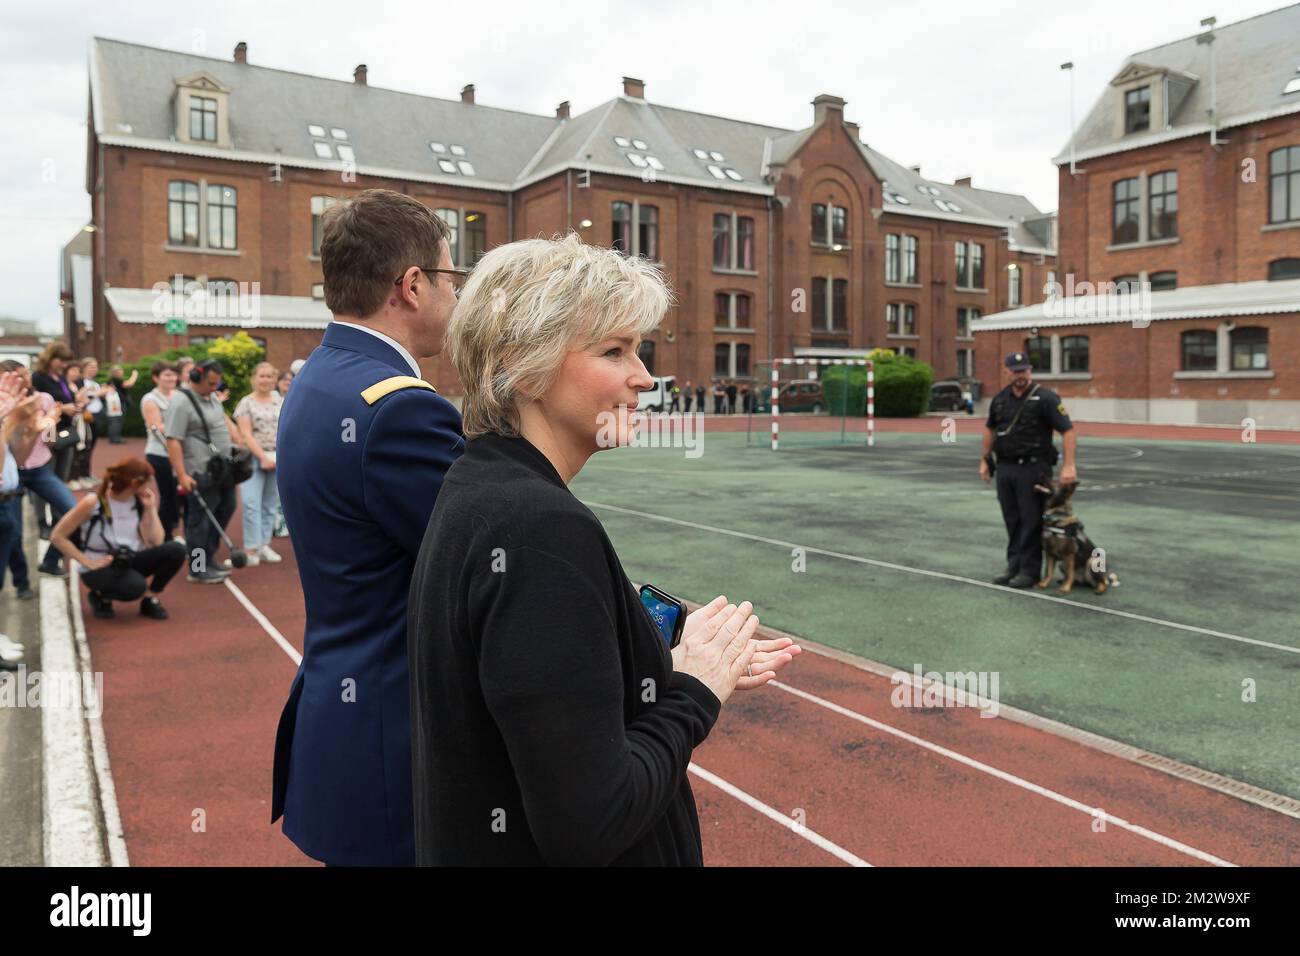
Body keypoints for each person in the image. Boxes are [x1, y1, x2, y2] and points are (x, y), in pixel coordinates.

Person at [408, 233, 800, 866]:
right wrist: (696, 689)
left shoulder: (478, 485)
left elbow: (541, 695)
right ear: (522, 362)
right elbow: (592, 820)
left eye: (639, 350)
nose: (643, 378)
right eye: (614, 351)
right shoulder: (538, 528)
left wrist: (663, 660)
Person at [270, 188, 465, 867]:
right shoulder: (399, 408)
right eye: (450, 280)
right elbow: (492, 556)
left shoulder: (323, 378)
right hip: (396, 742)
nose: (455, 297)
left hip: (347, 716)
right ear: (412, 286)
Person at [979, 351, 1077, 588]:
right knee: (1012, 519)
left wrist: (1069, 465)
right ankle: (1013, 565)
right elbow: (990, 429)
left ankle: (1029, 571)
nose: (1020, 375)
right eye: (1015, 371)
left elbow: (1068, 430)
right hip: (1005, 468)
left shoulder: (1046, 398)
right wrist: (984, 460)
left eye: (1024, 370)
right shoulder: (1000, 399)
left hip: (1034, 469)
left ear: (1030, 371)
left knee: (1030, 520)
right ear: (1006, 372)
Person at [49, 457, 186, 620]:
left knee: (176, 550)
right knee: (135, 587)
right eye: (148, 481)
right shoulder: (94, 502)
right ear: (135, 483)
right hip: (100, 565)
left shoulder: (139, 502)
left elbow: (157, 541)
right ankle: (100, 595)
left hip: (129, 559)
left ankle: (149, 597)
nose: (150, 486)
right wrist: (86, 561)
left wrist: (150, 509)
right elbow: (57, 536)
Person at [164, 358, 247, 584]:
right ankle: (198, 568)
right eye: (210, 383)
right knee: (199, 521)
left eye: (217, 383)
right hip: (199, 471)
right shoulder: (180, 402)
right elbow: (172, 440)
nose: (214, 388)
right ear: (196, 378)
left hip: (222, 469)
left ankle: (209, 558)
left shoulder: (211, 397)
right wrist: (182, 475)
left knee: (227, 507)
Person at [1, 360, 77, 578]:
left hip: (40, 466)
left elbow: (50, 441)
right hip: (13, 475)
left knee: (72, 510)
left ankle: (51, 561)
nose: (25, 380)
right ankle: (21, 581)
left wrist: (49, 425)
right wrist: (19, 422)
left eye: (26, 374)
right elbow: (14, 456)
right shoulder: (5, 407)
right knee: (13, 532)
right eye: (17, 376)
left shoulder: (43, 399)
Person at [0, 368, 50, 607]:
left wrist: (32, 431)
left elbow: (18, 459)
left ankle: (22, 583)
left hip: (8, 499)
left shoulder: (8, 415)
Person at [233, 362, 283, 566]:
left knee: (270, 505)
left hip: (278, 459)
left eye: (269, 376)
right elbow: (245, 433)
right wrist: (262, 457)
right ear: (253, 379)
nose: (265, 380)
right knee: (252, 504)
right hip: (253, 459)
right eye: (261, 376)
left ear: (275, 379)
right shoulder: (246, 403)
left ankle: (264, 545)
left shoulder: (282, 401)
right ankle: (251, 548)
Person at [140, 362, 182, 541]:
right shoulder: (150, 399)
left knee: (179, 497)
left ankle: (171, 531)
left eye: (173, 375)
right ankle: (165, 537)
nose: (171, 378)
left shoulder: (179, 396)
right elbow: (156, 426)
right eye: (166, 375)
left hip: (179, 454)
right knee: (168, 496)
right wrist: (184, 426)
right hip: (160, 455)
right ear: (156, 377)